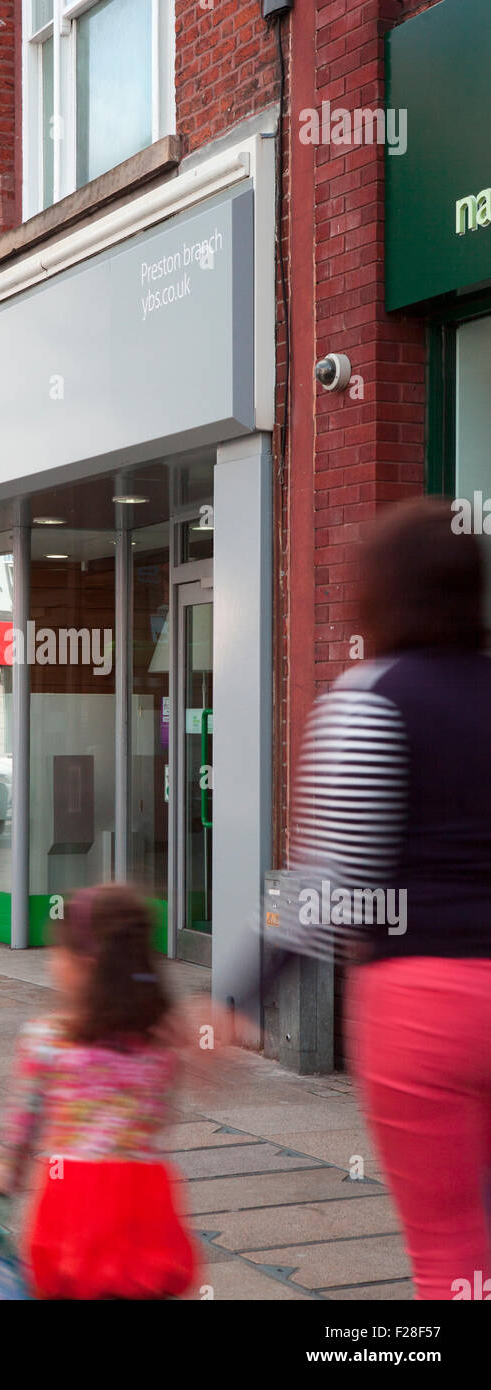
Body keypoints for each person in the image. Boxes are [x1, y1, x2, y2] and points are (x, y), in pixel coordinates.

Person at [261, 497, 491, 1300]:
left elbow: (329, 880)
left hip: (420, 1007)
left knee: (456, 1255)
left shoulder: (368, 695)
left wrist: (242, 995)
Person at [0, 882, 198, 1300]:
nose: (52, 963)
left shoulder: (47, 1039)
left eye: (57, 952)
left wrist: (5, 1173)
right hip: (146, 1199)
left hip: (75, 1199)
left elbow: (23, 1127)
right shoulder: (160, 1046)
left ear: (85, 964)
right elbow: (157, 1120)